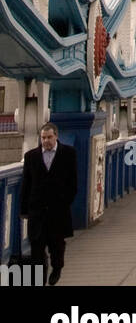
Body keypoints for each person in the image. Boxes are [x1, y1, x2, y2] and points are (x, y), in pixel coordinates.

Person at [21, 122, 78, 286]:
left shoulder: (68, 153)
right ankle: (40, 280)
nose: (46, 141)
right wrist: (24, 210)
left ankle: (57, 268)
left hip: (58, 210)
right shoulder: (31, 156)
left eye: (49, 137)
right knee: (36, 249)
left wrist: (65, 202)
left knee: (57, 246)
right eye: (43, 138)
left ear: (56, 137)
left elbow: (73, 182)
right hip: (37, 211)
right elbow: (26, 184)